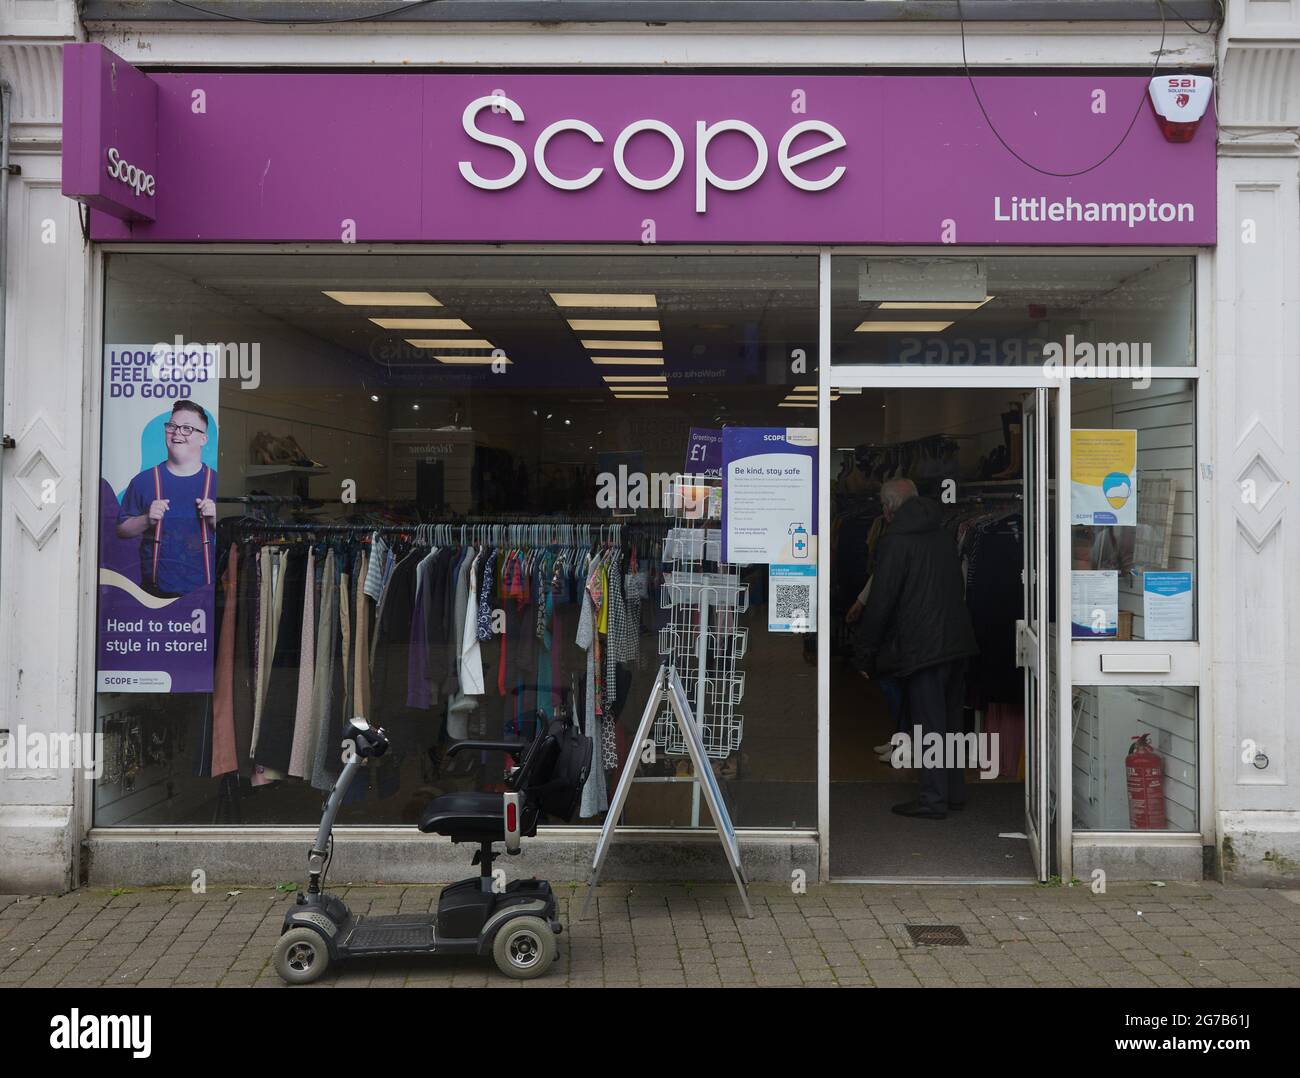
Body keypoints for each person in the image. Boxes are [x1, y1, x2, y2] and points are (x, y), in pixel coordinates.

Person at [851, 478, 978, 819]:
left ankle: (933, 799)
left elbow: (882, 601)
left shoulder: (895, 541)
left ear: (888, 508)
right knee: (951, 722)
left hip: (924, 647)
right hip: (957, 641)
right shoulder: (941, 532)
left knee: (929, 724)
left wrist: (864, 653)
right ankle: (953, 792)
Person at [116, 400, 218, 598]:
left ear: (203, 439)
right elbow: (121, 530)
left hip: (204, 593)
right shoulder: (143, 481)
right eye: (172, 426)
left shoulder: (215, 482)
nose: (177, 433)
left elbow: (235, 541)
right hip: (153, 596)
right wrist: (147, 519)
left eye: (187, 428)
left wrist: (215, 520)